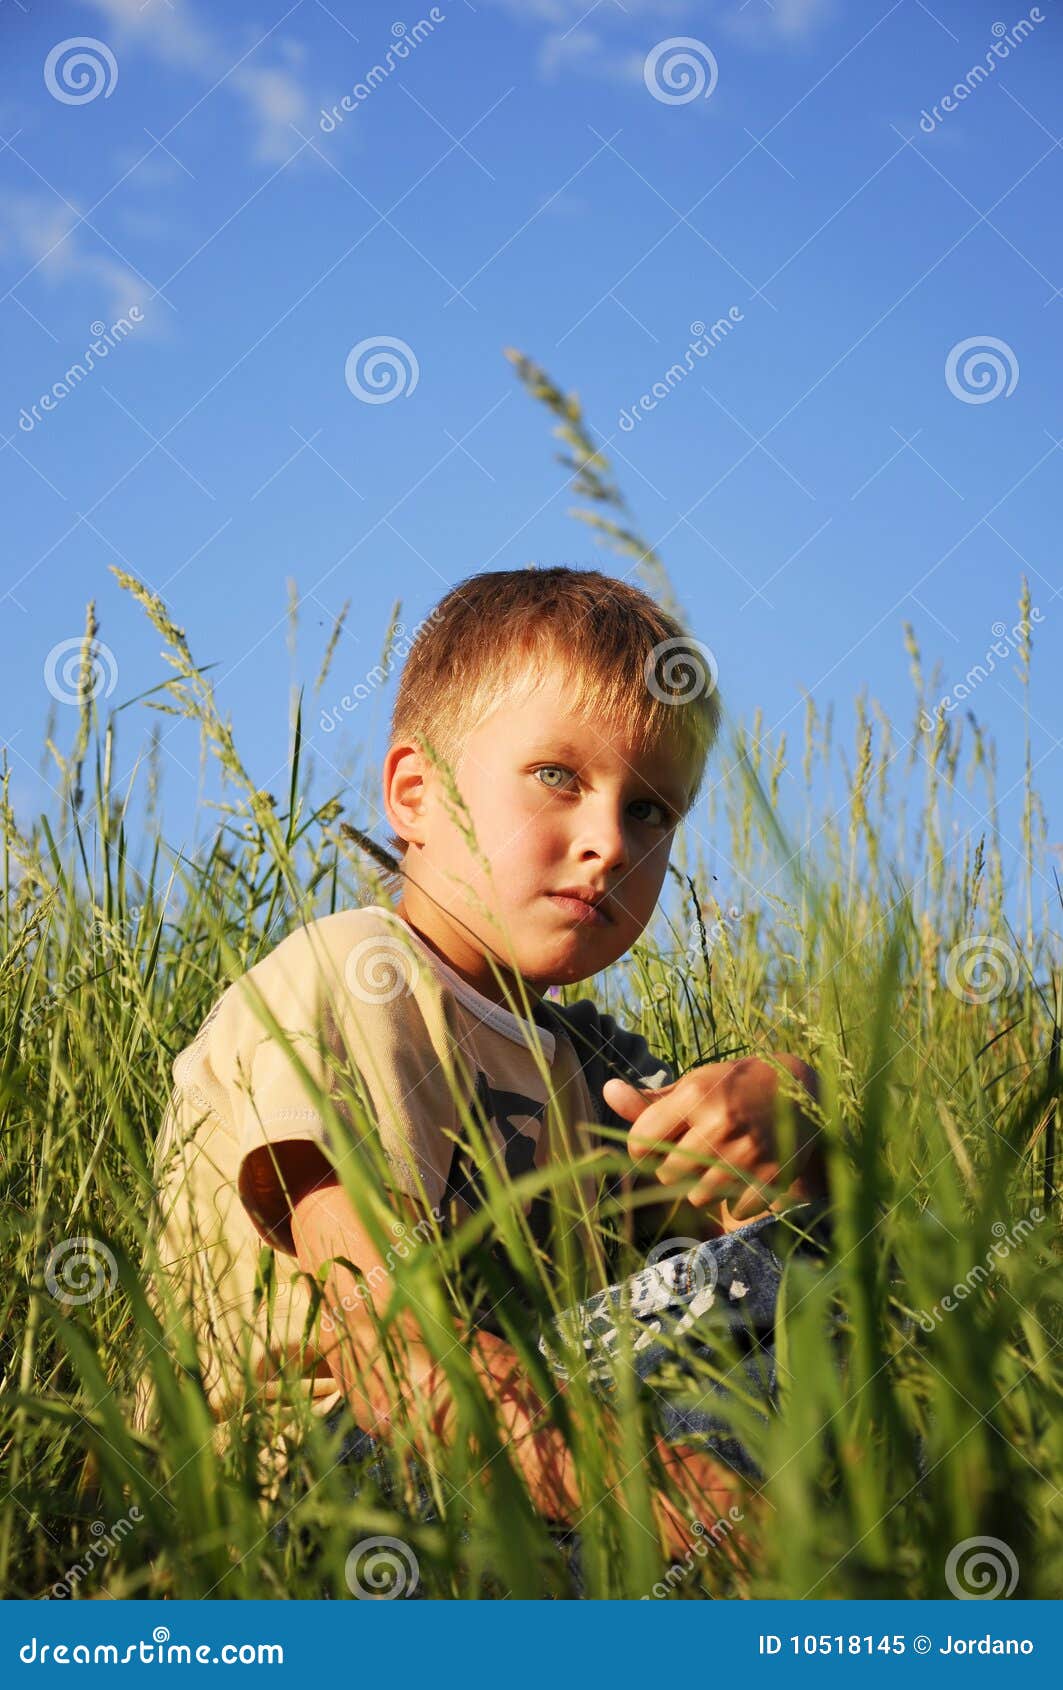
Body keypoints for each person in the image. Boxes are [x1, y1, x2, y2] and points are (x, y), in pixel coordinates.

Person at [134, 564, 824, 1575]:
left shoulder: (594, 1065)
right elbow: (392, 1351)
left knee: (825, 1278)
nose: (605, 843)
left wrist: (789, 1109)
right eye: (558, 776)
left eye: (649, 812)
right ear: (415, 792)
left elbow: (790, 1268)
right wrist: (659, 1488)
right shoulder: (349, 976)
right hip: (313, 1504)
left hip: (526, 1471)